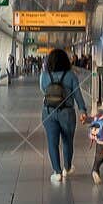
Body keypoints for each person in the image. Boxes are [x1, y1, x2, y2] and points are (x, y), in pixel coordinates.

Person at [40, 47, 88, 182]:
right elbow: (77, 94)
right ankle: (67, 168)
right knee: (67, 141)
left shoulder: (44, 75)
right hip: (67, 112)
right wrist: (82, 110)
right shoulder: (71, 75)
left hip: (48, 111)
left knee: (52, 142)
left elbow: (43, 90)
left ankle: (57, 172)